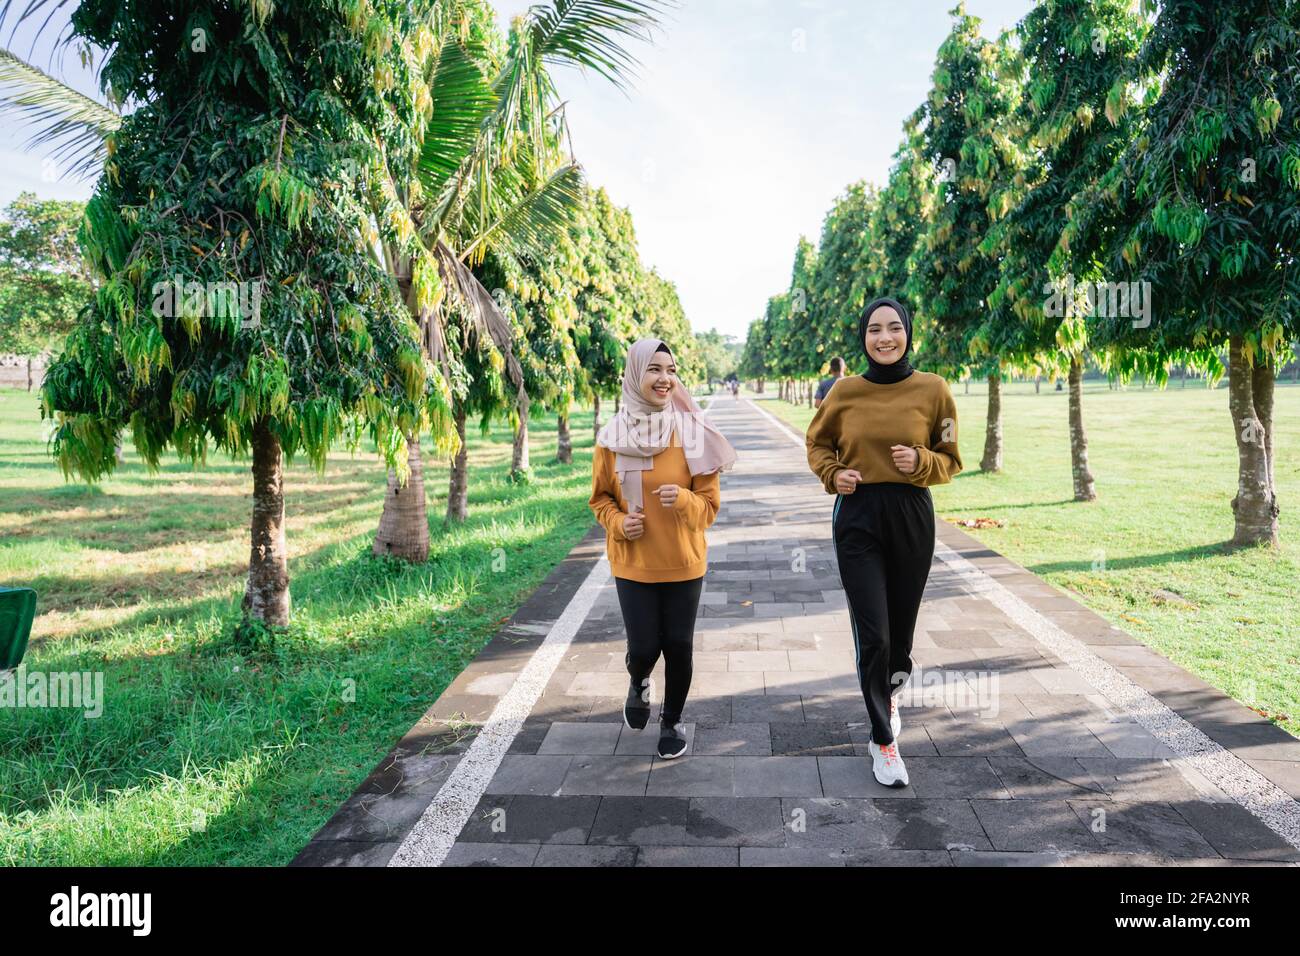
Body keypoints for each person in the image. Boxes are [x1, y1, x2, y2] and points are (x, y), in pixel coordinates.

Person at [804, 297, 961, 788]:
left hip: (912, 515)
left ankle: (890, 693)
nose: (885, 337)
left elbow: (952, 458)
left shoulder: (934, 390)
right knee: (873, 634)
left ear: (908, 333)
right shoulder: (845, 391)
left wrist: (923, 463)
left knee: (900, 639)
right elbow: (816, 443)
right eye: (875, 329)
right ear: (863, 337)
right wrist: (834, 475)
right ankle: (883, 741)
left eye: (894, 328)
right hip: (858, 518)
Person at [589, 338, 737, 759]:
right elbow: (600, 498)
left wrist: (685, 500)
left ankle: (671, 721)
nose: (665, 378)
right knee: (642, 649)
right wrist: (619, 523)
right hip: (632, 562)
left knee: (678, 646)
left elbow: (709, 508)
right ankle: (638, 679)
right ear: (636, 374)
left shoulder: (692, 432)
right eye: (654, 369)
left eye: (671, 370)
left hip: (683, 561)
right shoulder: (611, 437)